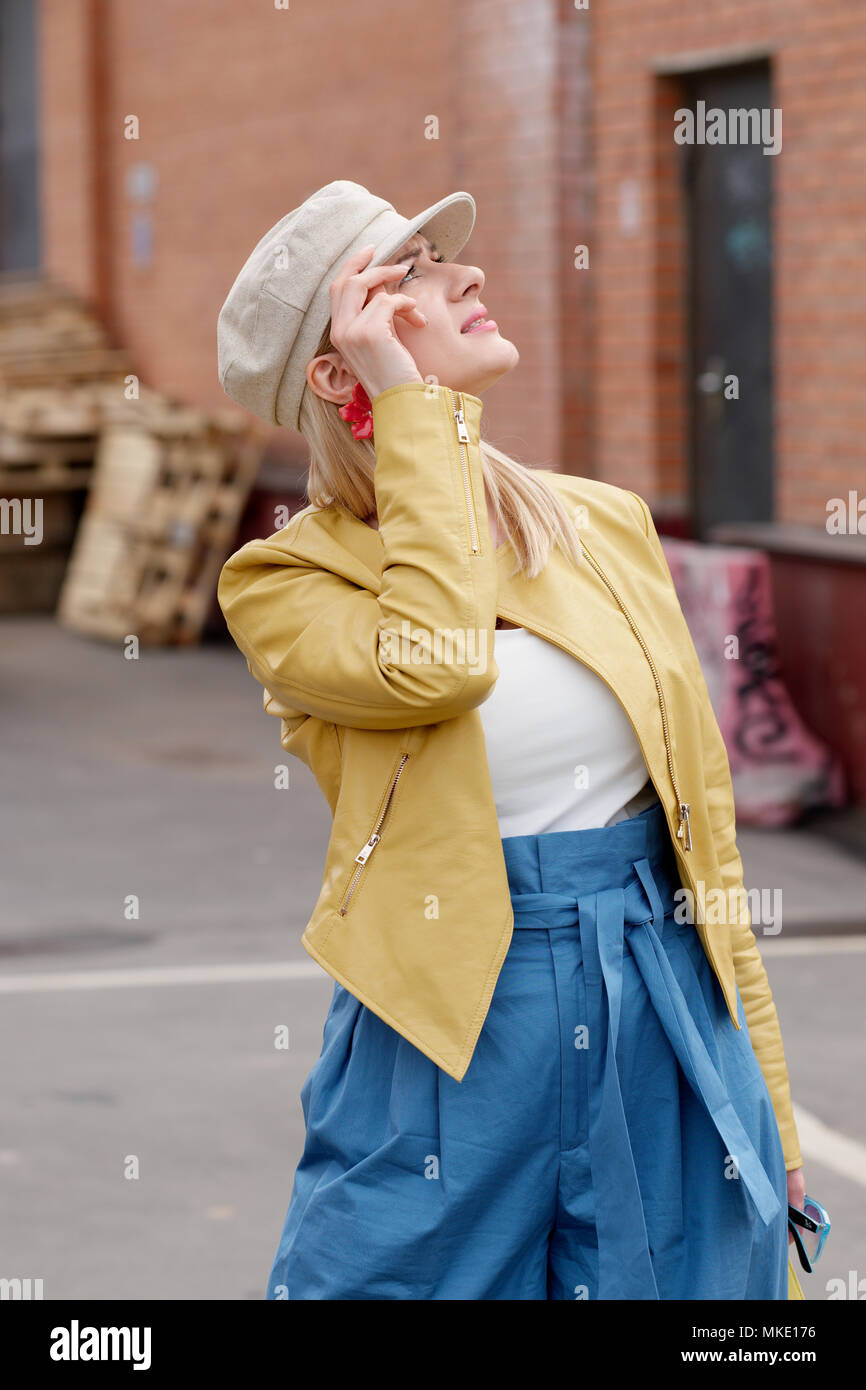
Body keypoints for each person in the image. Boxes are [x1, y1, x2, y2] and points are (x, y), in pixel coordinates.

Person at [216, 180, 804, 1300]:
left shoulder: (599, 522)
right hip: (453, 1028)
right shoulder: (283, 580)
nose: (469, 275)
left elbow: (704, 838)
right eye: (415, 273)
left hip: (660, 984)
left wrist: (763, 1100)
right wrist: (408, 409)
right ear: (341, 366)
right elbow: (436, 660)